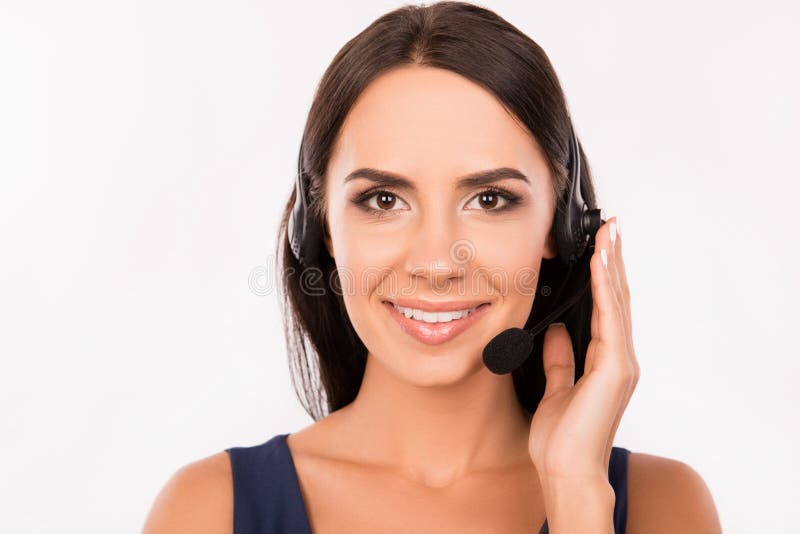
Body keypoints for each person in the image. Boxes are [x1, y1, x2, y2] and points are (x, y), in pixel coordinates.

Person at [143, 2, 721, 532]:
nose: (437, 263)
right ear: (322, 228)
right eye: (384, 200)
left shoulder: (664, 505)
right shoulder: (206, 510)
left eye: (489, 199)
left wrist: (576, 493)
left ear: (562, 226)